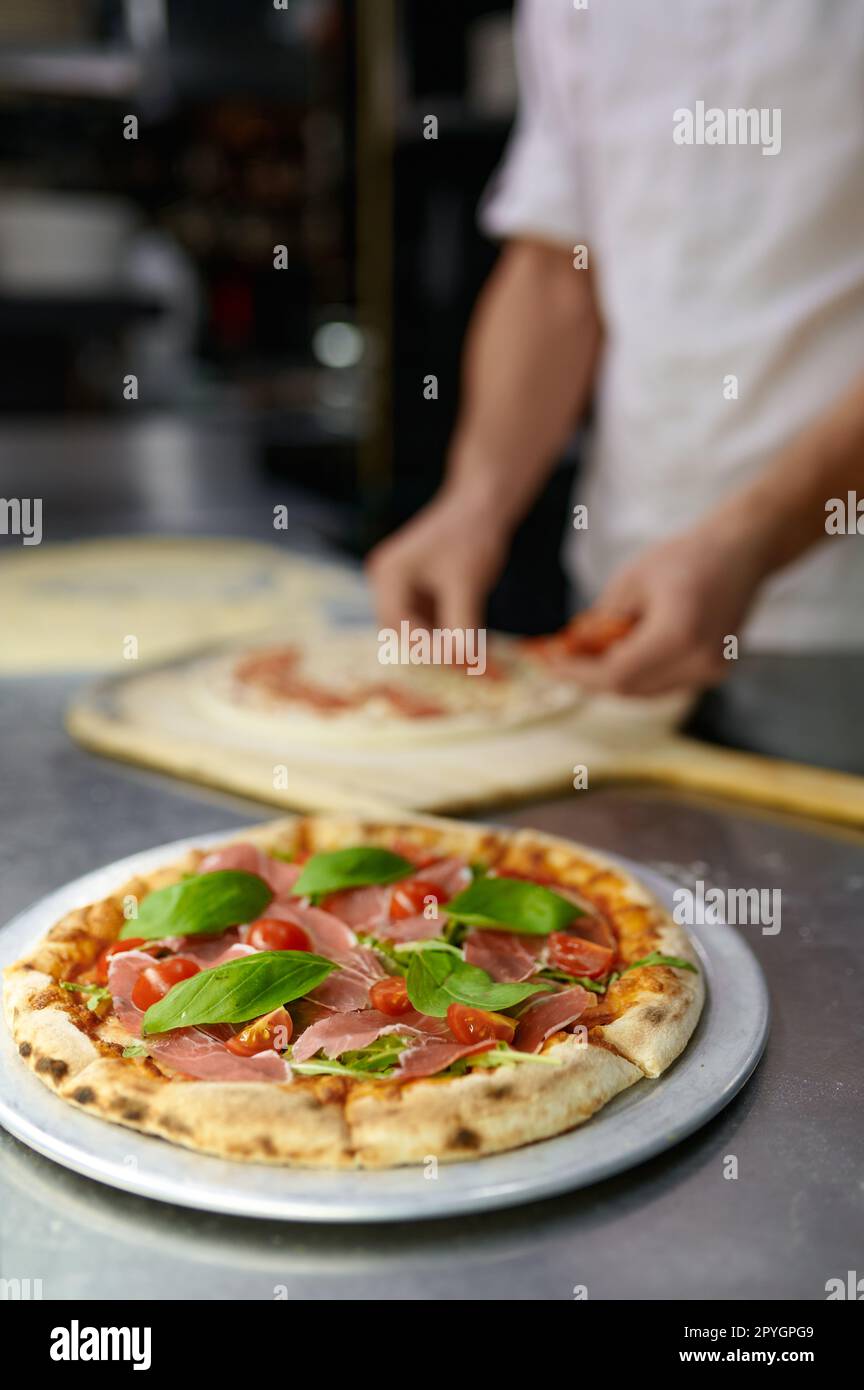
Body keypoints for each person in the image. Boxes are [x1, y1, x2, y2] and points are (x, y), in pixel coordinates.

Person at [368, 0, 864, 697]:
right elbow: (555, 268)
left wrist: (751, 539)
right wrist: (474, 503)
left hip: (843, 622)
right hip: (620, 598)